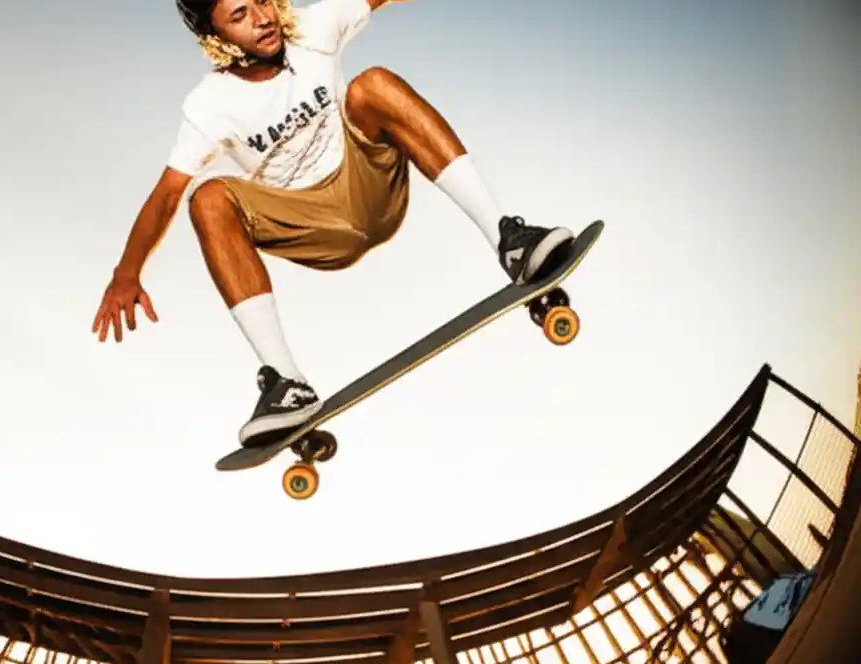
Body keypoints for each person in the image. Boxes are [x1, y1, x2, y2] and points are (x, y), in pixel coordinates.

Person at [92, 0, 575, 447]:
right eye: (240, 15)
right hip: (308, 224)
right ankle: (287, 383)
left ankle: (508, 240)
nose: (262, 18)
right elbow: (167, 194)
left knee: (373, 85)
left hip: (369, 184)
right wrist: (126, 273)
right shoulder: (209, 105)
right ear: (216, 37)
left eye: (262, 1)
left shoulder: (311, 27)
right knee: (208, 197)